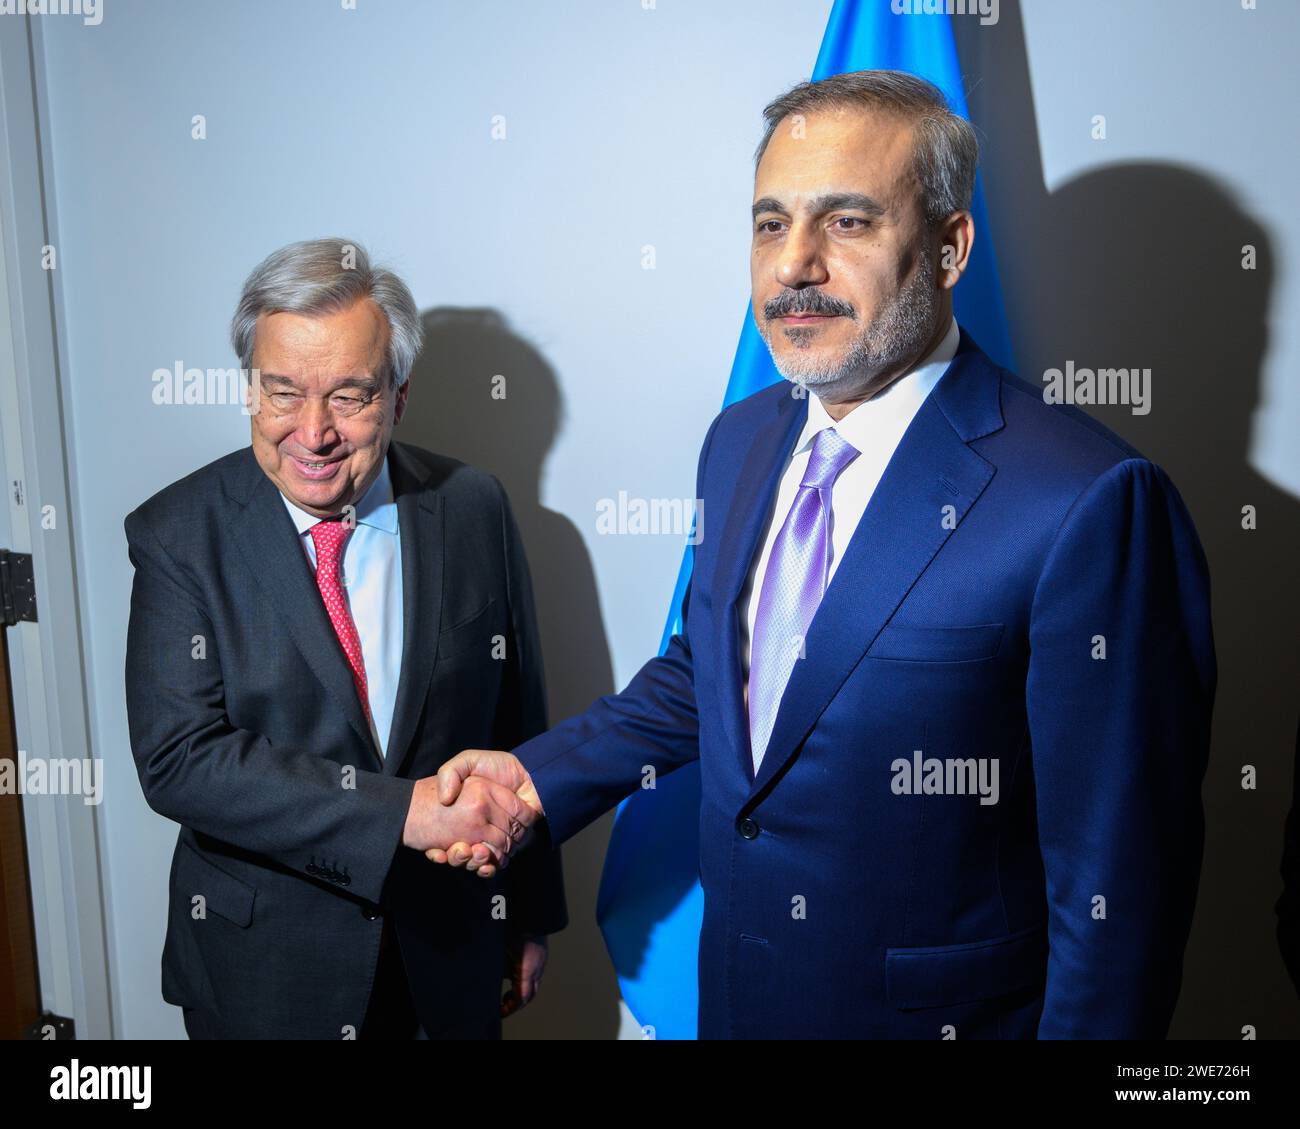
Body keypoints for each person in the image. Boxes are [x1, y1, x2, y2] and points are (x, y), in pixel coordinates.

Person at [431, 71, 1216, 1039]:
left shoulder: (1087, 499)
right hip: (740, 1000)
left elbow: (1119, 880)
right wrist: (532, 778)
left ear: (947, 246)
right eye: (769, 224)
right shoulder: (740, 439)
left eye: (845, 222)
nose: (793, 265)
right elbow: (715, 676)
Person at [124, 238, 564, 1039]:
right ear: (251, 389)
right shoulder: (178, 533)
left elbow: (517, 719)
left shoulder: (473, 506)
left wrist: (527, 910)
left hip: (451, 950)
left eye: (350, 395)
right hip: (266, 975)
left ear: (397, 396)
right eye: (283, 391)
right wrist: (402, 813)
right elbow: (179, 761)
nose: (313, 432)